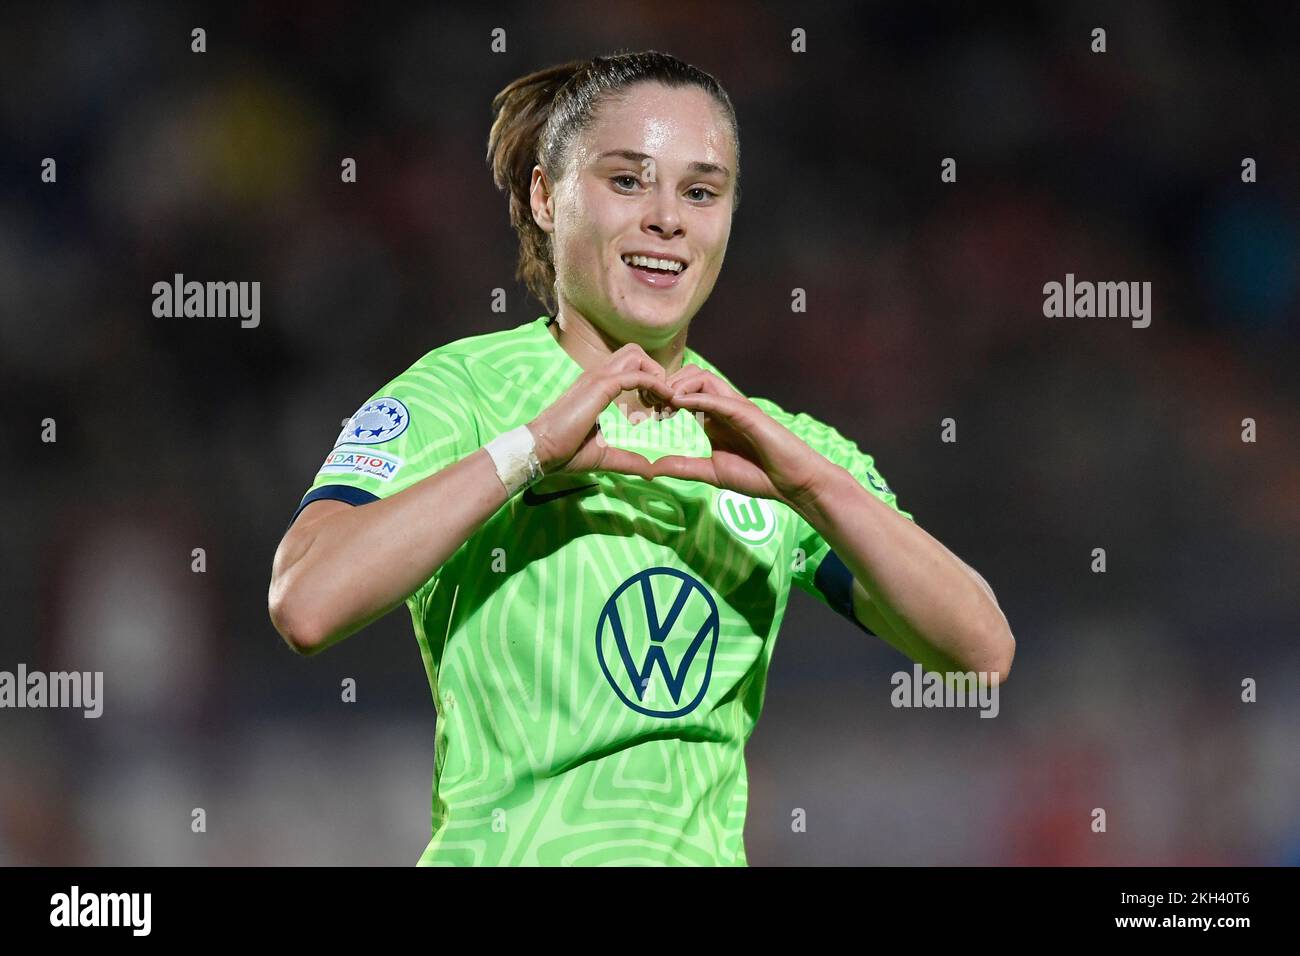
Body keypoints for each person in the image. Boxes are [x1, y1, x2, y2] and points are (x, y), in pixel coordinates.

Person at [268, 50, 1015, 866]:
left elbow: (979, 654)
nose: (668, 219)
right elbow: (307, 602)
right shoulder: (464, 394)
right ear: (545, 197)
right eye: (627, 181)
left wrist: (809, 486)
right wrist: (528, 454)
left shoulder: (772, 448)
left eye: (701, 191)